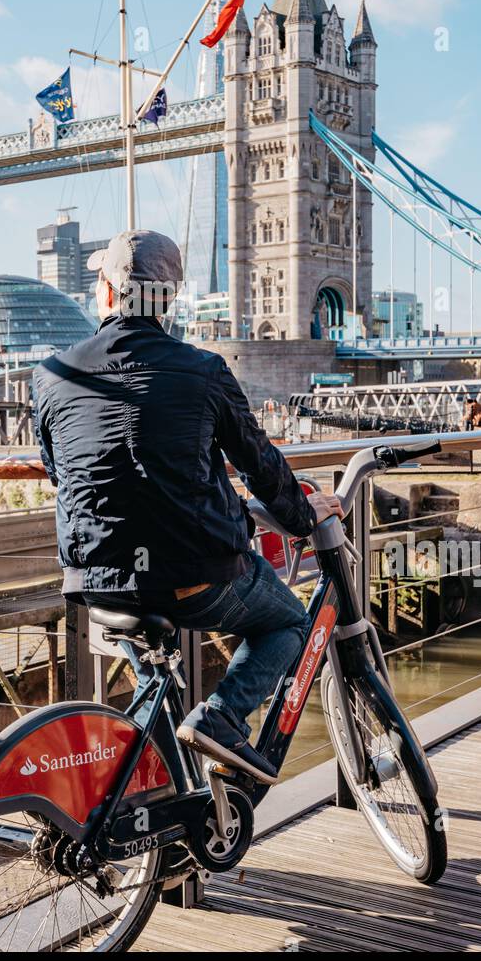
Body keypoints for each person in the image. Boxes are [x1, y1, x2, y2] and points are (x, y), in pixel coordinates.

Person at [33, 229, 343, 783]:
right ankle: (222, 719)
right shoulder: (203, 370)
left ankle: (163, 819)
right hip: (194, 578)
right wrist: (303, 515)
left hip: (93, 578)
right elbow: (259, 465)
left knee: (157, 694)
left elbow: (63, 475)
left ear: (105, 293)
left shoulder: (52, 375)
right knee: (290, 624)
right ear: (169, 300)